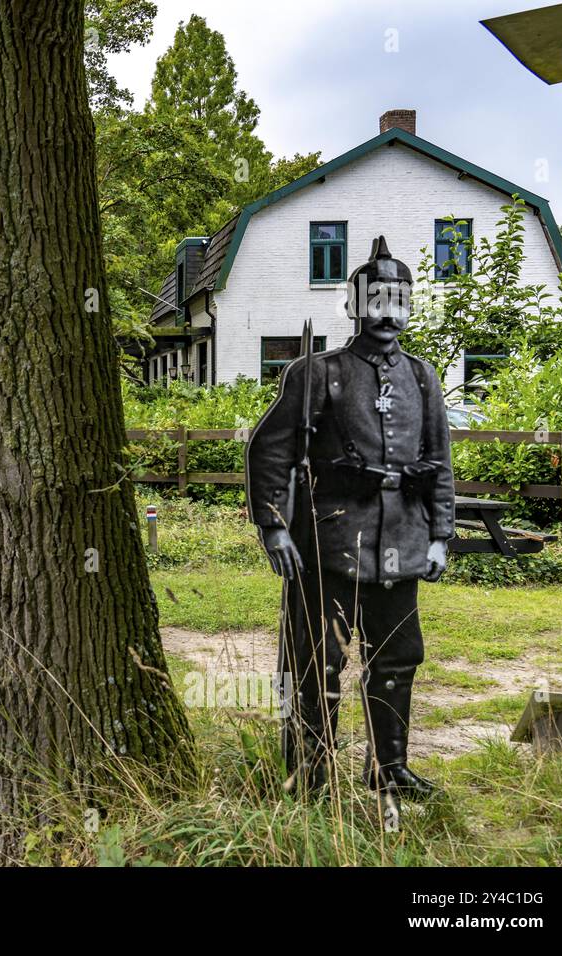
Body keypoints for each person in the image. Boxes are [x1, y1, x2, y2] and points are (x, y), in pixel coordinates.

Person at [245, 237, 455, 831]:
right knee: (316, 662)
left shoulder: (421, 377)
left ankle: (389, 767)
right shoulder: (319, 373)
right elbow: (270, 451)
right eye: (376, 299)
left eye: (399, 300)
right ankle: (307, 772)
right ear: (355, 305)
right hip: (328, 546)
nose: (388, 312)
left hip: (402, 546)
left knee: (397, 661)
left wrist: (439, 535)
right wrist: (275, 526)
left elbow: (437, 462)